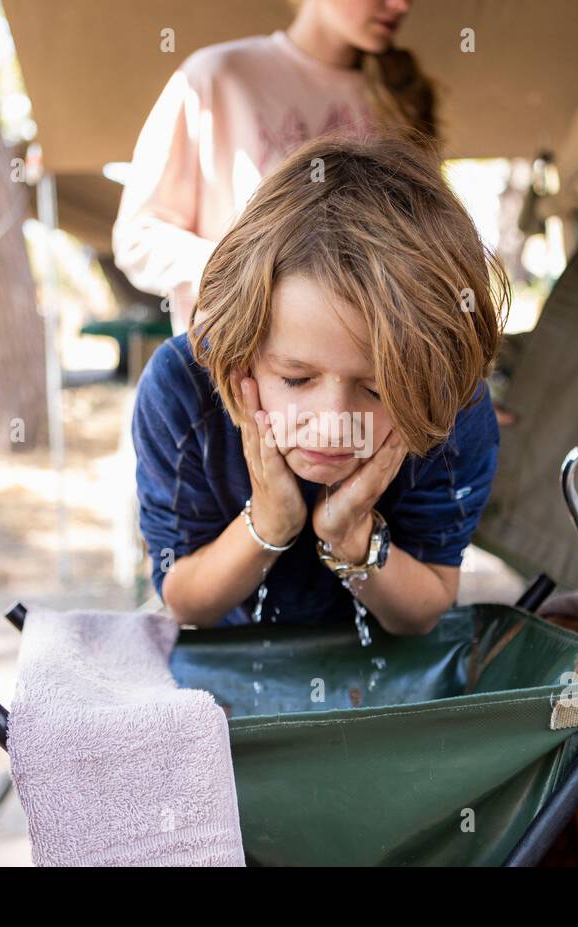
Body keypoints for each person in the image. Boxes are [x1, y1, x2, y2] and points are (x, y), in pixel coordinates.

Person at [132, 133, 508, 636]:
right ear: (242, 349)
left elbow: (423, 610)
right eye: (295, 378)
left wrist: (349, 535)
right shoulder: (182, 389)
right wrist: (270, 522)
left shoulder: (451, 402)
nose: (333, 424)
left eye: (377, 389)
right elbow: (186, 602)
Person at [112, 0, 436, 335]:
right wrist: (257, 275)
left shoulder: (404, 97)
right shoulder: (217, 75)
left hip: (371, 366)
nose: (401, 5)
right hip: (236, 363)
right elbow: (138, 238)